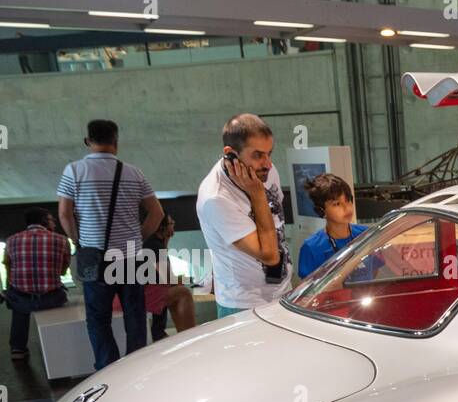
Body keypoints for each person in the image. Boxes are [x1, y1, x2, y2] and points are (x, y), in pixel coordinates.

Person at [57, 119, 163, 369]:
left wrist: (78, 240)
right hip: (131, 255)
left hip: (96, 256)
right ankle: (136, 367)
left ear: (87, 141)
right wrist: (138, 237)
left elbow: (64, 213)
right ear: (116, 142)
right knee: (135, 316)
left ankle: (108, 369)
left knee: (98, 318)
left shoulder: (73, 171)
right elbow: (156, 213)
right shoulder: (134, 173)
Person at [196, 113, 290, 317]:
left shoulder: (265, 170)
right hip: (243, 304)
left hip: (283, 294)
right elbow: (270, 256)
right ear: (231, 153)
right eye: (257, 155)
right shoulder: (217, 198)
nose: (267, 163)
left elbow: (276, 222)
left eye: (269, 153)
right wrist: (257, 194)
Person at [0, 207, 70, 361]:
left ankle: (18, 349)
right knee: (58, 290)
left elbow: (9, 268)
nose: (55, 222)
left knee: (18, 305)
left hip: (22, 300)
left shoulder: (11, 240)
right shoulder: (61, 240)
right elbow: (63, 272)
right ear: (44, 220)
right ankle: (57, 347)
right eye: (52, 219)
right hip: (52, 299)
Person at [297, 173, 369, 278]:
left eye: (348, 200)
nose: (346, 208)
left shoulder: (367, 234)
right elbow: (309, 288)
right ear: (321, 211)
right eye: (337, 204)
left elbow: (374, 270)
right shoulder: (311, 247)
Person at [143, 214, 197, 342]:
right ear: (162, 227)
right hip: (142, 295)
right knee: (183, 293)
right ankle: (189, 336)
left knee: (174, 291)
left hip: (145, 291)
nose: (174, 225)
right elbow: (168, 278)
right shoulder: (154, 245)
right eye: (171, 223)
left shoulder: (153, 243)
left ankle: (172, 333)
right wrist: (190, 280)